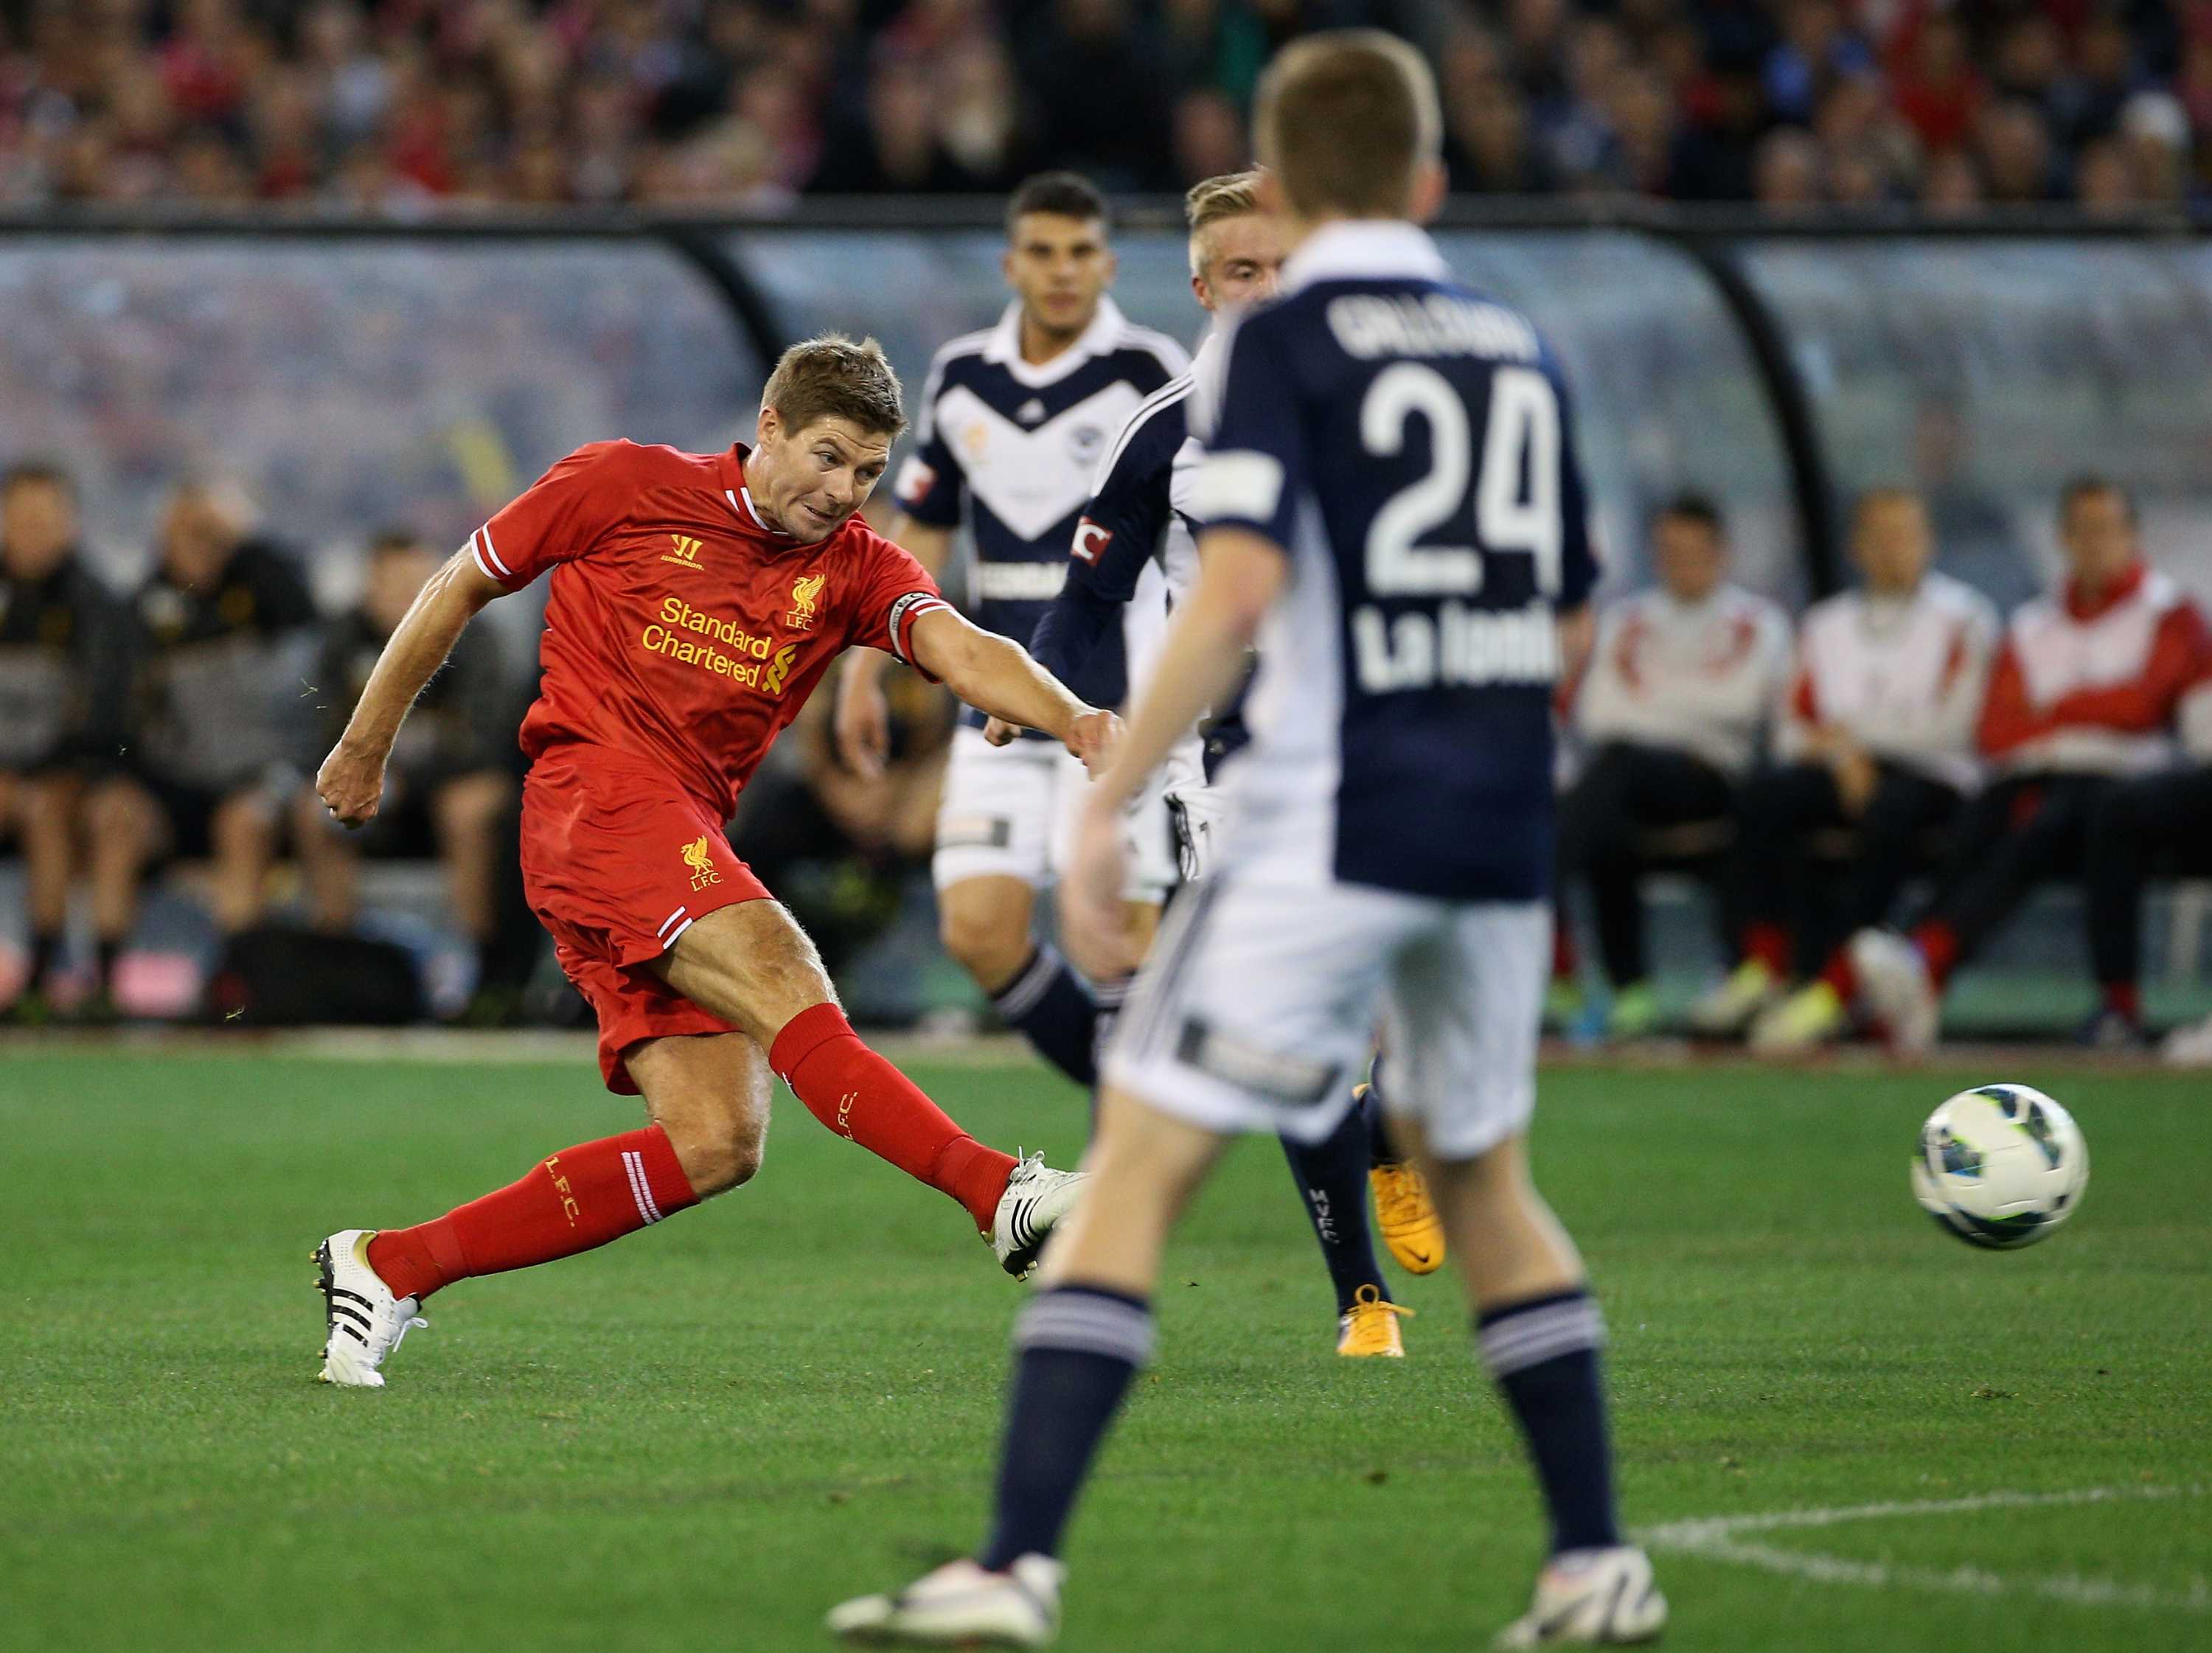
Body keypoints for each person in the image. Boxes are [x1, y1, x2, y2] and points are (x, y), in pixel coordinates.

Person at [832, 34, 1666, 1648]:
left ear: (1289, 190)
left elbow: (1229, 598)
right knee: (1491, 1179)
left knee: (1135, 1164)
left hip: (1320, 805)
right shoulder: (1517, 347)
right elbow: (1568, 613)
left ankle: (1013, 1564)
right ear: (1429, 181)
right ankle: (1593, 1556)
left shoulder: (1273, 352)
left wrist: (1104, 792)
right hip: (1495, 814)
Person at [310, 335, 1106, 1388]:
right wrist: (366, 743)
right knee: (785, 971)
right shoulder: (623, 483)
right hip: (593, 797)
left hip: (679, 829)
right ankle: (995, 1190)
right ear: (767, 426)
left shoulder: (856, 566)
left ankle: (390, 1264)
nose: (843, 491)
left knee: (715, 1142)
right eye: (827, 457)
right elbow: (457, 585)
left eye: (866, 472)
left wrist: (1076, 718)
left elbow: (959, 644)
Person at [1020, 167, 1442, 1357]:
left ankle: (1396, 1129)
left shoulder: (1379, 402)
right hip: (1244, 761)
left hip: (1386, 731)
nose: (1264, 290)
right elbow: (1089, 592)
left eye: (1283, 269)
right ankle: (1364, 1298)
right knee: (1294, 1020)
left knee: (1380, 996)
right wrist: (1041, 699)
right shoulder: (1168, 431)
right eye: (1241, 273)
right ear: (1204, 286)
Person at [835, 170, 1189, 1090]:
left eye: (1080, 252)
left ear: (1108, 263)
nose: (1062, 271)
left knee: (1112, 937)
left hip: (1118, 698)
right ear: (1011, 263)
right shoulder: (963, 378)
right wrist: (864, 673)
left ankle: (1124, 1175)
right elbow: (922, 527)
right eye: (1043, 251)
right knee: (979, 931)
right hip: (995, 693)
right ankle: (1138, 1107)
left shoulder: (1151, 374)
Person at [1811, 477, 2211, 1053]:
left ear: (2133, 536)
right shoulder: (2033, 623)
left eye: (2108, 530)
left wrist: (2061, 708)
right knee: (1980, 820)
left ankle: (1925, 964)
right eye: (2082, 531)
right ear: (2063, 539)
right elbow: (2001, 729)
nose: (2095, 544)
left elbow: (2146, 704)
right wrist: (2100, 705)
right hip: (2034, 776)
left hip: (2124, 783)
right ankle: (1917, 970)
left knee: (2053, 819)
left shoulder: (2170, 614)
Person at [1683, 489, 1997, 1045]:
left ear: (1928, 541)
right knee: (1763, 796)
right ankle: (1762, 968)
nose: (1892, 549)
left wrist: (1854, 742)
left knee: (1889, 810)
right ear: (1856, 546)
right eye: (1879, 535)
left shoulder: (1965, 619)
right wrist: (1843, 755)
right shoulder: (1826, 624)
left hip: (1934, 776)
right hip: (1837, 767)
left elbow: (1955, 724)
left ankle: (1837, 985)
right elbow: (1788, 729)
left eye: (1905, 534)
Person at [1556, 495, 1791, 1037]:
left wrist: (1656, 706)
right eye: (1667, 551)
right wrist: (1688, 705)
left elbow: (1742, 705)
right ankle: (1633, 989)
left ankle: (1579, 970)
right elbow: (1598, 713)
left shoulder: (1760, 624)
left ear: (1721, 553)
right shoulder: (1626, 620)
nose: (1678, 563)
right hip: (1629, 782)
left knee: (1590, 800)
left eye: (1690, 551)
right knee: (1607, 811)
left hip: (1712, 778)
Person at [291, 529, 516, 1002]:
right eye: (393, 587)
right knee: (313, 811)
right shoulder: (341, 641)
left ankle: (483, 976)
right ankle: (338, 968)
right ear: (369, 588)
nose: (407, 599)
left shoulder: (476, 637)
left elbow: (489, 739)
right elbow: (317, 729)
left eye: (419, 585)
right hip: (376, 792)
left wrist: (408, 780)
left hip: (446, 790)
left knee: (469, 808)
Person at [111, 478, 321, 945]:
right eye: (183, 532)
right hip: (179, 783)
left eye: (209, 533)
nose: (196, 545)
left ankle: (236, 978)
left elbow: (301, 610)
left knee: (246, 821)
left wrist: (241, 533)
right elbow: (125, 712)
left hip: (261, 778)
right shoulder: (149, 610)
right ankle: (101, 980)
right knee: (117, 815)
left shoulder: (270, 593)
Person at [0, 462, 133, 1018]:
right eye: (22, 517)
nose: (33, 530)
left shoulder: (96, 603)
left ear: (70, 524)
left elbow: (97, 716)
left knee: (49, 808)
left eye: (45, 518)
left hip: (61, 780)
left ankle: (50, 973)